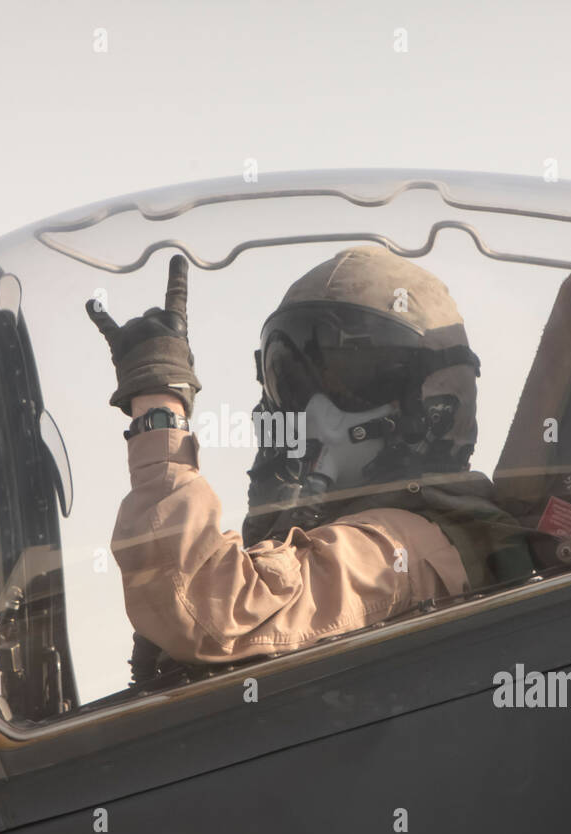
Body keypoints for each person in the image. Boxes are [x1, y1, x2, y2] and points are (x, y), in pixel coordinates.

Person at [86, 246, 532, 674]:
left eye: (351, 377)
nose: (313, 409)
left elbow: (211, 613)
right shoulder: (366, 533)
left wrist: (160, 413)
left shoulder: (403, 547)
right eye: (293, 378)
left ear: (433, 407)